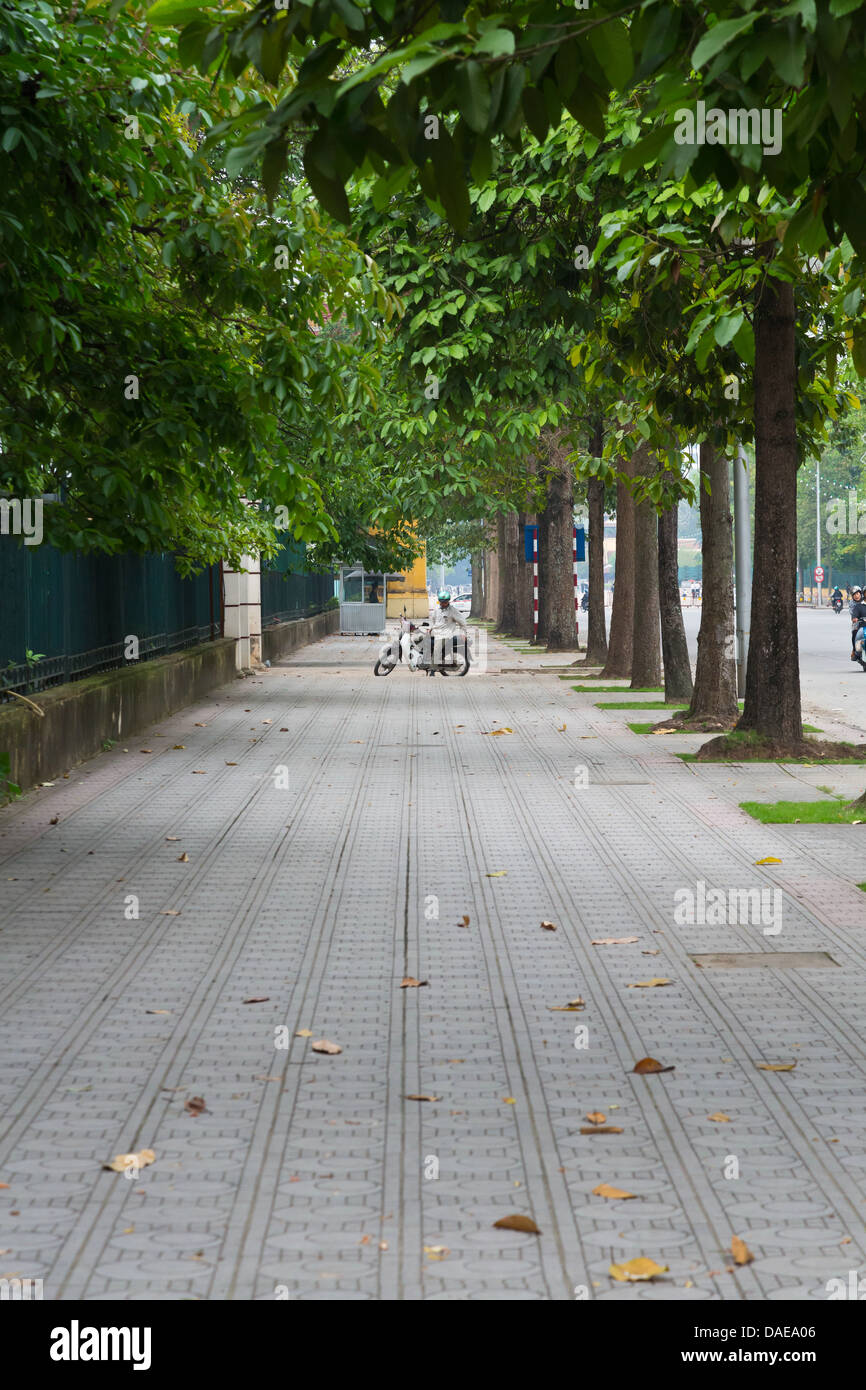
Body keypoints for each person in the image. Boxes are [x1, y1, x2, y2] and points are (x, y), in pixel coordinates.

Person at [430, 589, 468, 674]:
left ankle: (432, 670)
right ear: (439, 601)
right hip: (435, 633)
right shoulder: (437, 610)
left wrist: (463, 633)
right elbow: (433, 621)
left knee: (437, 649)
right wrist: (430, 628)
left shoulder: (453, 611)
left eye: (445, 602)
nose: (443, 603)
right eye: (442, 602)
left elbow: (463, 622)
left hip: (446, 634)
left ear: (448, 601)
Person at [850, 587, 866, 658]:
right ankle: (855, 650)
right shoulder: (856, 605)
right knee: (855, 633)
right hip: (860, 624)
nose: (856, 596)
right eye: (854, 594)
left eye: (857, 594)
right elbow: (854, 614)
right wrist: (855, 618)